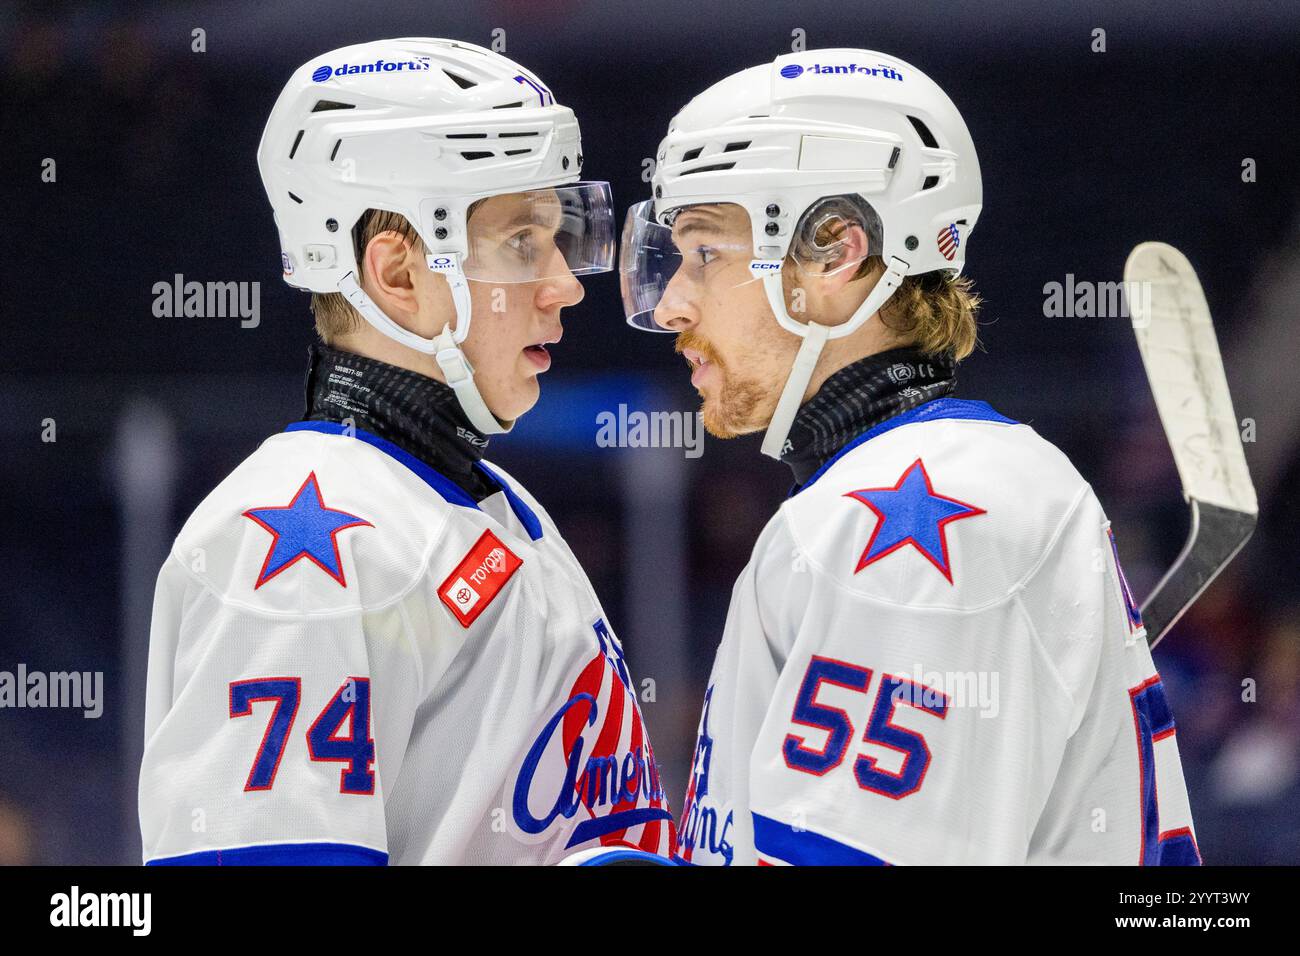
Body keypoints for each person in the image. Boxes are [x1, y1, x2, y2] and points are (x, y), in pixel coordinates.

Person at [620, 48, 1199, 865]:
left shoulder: (923, 514)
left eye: (705, 252)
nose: (674, 302)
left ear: (834, 250)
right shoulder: (909, 489)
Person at [138, 38, 674, 865]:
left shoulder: (485, 500)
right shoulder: (299, 548)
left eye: (564, 238)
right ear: (397, 275)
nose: (566, 284)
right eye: (525, 243)